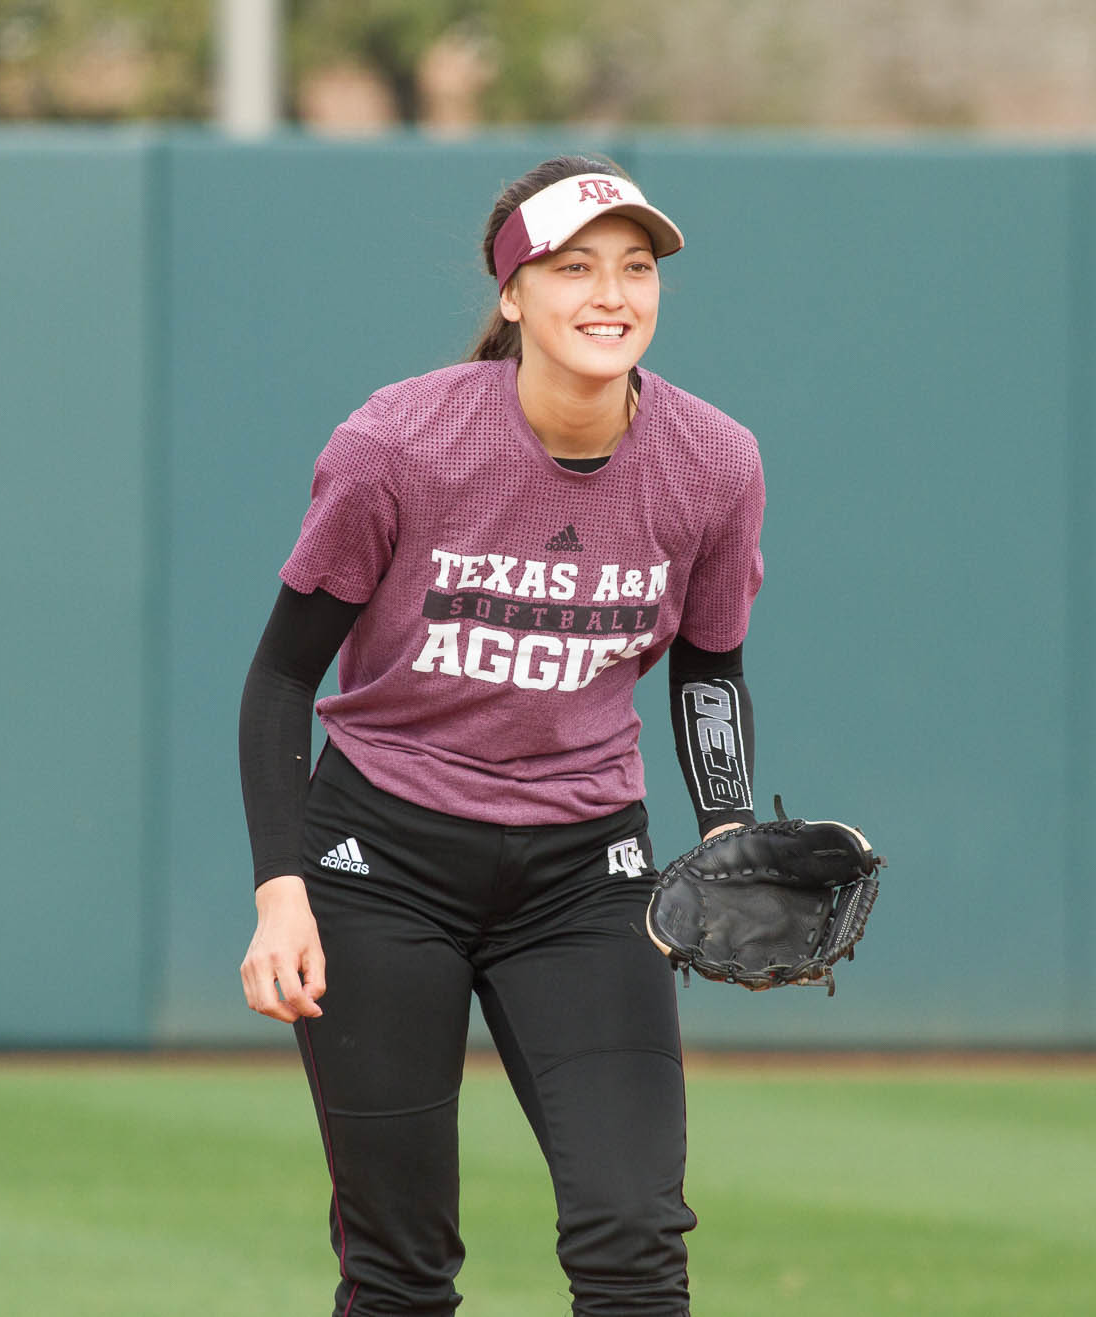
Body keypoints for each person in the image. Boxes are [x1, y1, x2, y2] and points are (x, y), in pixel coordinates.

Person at [238, 152, 766, 1317]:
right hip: (379, 866)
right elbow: (281, 678)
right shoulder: (400, 445)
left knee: (633, 1237)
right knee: (400, 1269)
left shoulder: (714, 462)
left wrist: (726, 824)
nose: (609, 293)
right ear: (512, 292)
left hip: (582, 873)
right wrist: (282, 889)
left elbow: (708, 663)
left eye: (634, 267)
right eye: (572, 266)